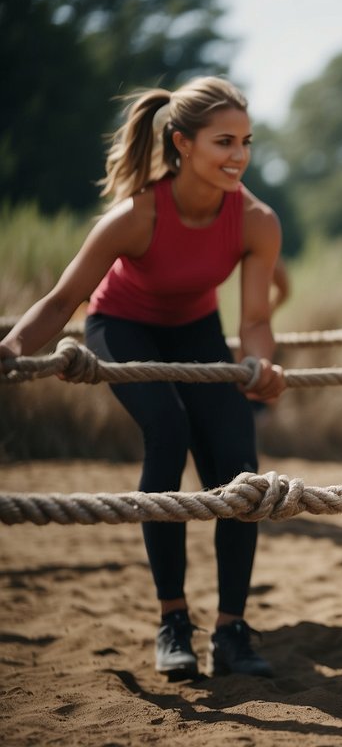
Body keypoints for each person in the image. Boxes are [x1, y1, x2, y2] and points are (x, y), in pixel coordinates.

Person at [0, 77, 286, 679]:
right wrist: (12, 349)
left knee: (239, 460)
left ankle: (232, 630)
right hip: (121, 325)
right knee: (167, 429)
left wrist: (261, 364)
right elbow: (61, 302)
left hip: (196, 330)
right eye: (223, 141)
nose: (239, 155)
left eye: (246, 142)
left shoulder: (257, 220)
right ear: (182, 143)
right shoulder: (135, 215)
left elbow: (256, 319)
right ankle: (173, 618)